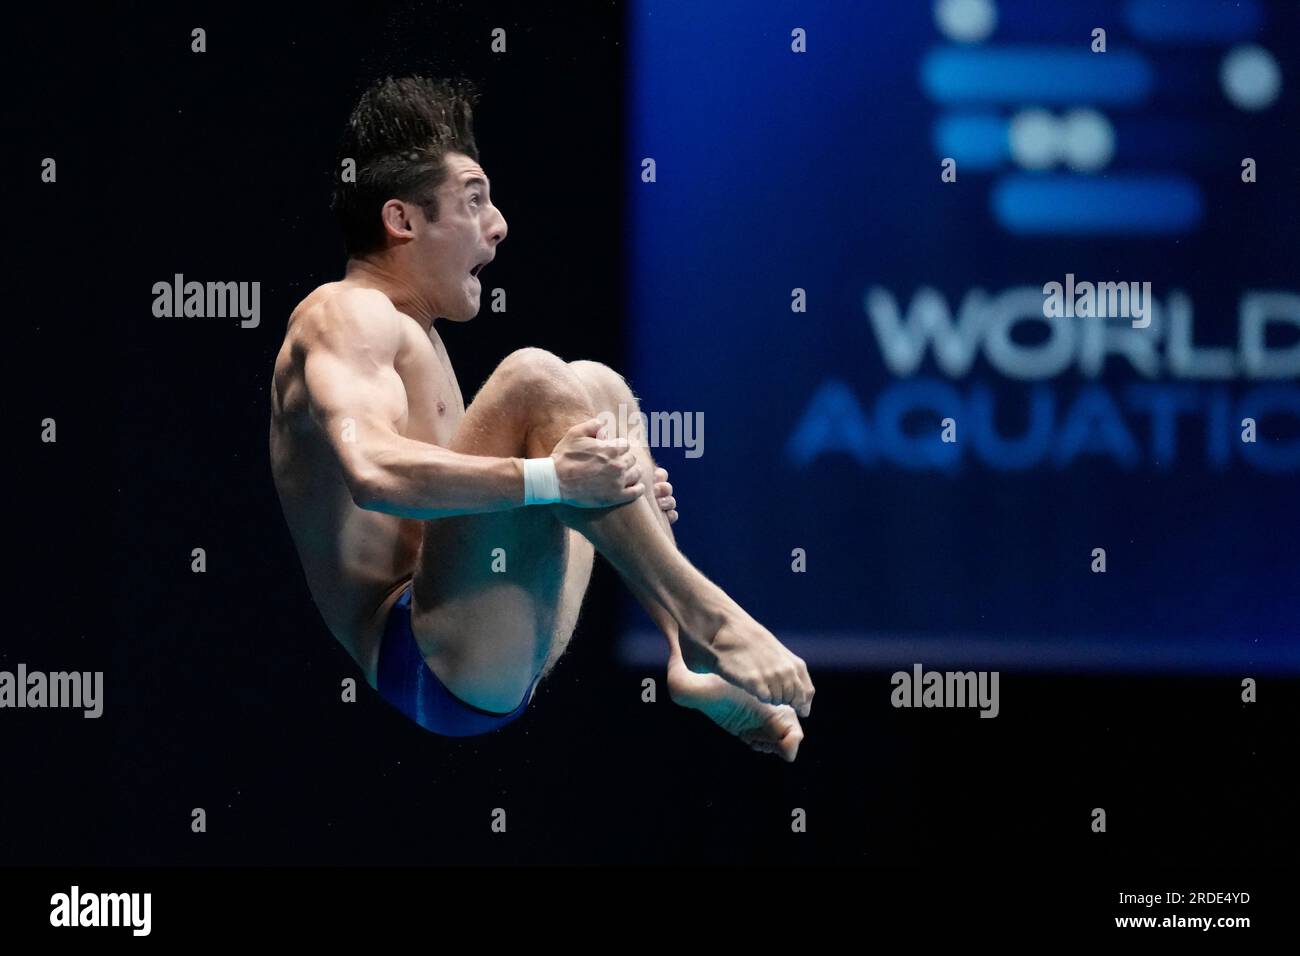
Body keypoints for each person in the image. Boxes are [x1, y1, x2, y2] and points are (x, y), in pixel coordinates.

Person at [269, 76, 811, 759]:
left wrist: (618, 498)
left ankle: (686, 654)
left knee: (595, 389)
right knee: (533, 376)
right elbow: (373, 472)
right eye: (474, 202)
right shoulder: (342, 314)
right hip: (420, 653)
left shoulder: (415, 334)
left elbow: (479, 499)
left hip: (480, 631)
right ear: (402, 221)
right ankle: (712, 619)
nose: (499, 224)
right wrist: (552, 481)